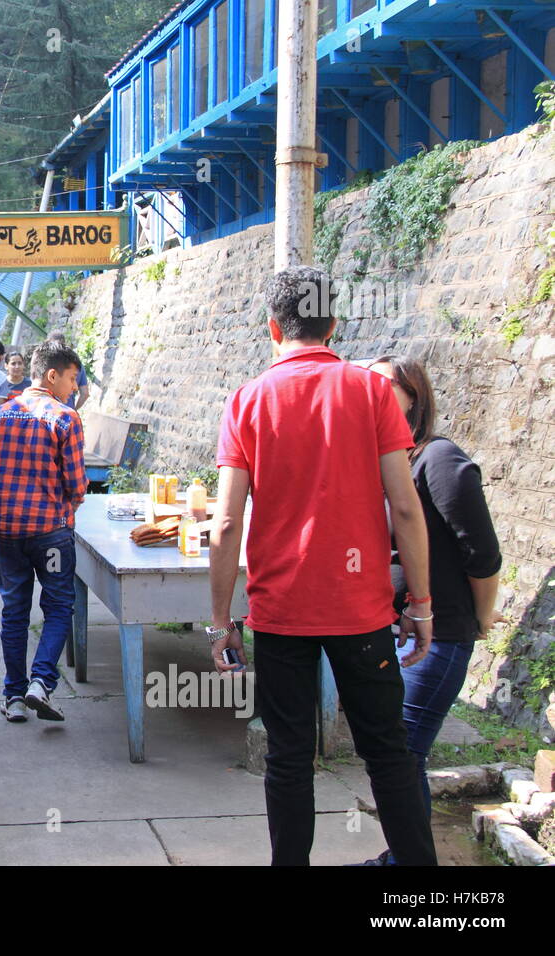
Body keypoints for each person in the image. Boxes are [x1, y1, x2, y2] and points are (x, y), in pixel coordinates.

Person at [208, 265, 438, 866]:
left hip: (281, 615)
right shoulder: (372, 393)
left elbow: (227, 523)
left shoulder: (247, 401)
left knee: (288, 757)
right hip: (361, 611)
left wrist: (219, 621)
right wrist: (420, 603)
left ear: (272, 329)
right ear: (334, 325)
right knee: (387, 751)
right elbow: (406, 509)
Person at [357, 355, 502, 865]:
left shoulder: (439, 460)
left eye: (381, 383)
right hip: (399, 632)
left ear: (413, 397)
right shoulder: (390, 459)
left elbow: (482, 554)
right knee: (394, 755)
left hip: (440, 635)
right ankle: (402, 856)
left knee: (403, 753)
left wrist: (481, 619)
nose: (369, 390)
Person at [0, 342, 87, 723]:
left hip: (8, 534)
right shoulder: (66, 418)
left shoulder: (0, 415)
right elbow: (76, 484)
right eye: (72, 379)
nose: (74, 387)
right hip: (51, 534)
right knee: (58, 607)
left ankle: (13, 696)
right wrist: (71, 502)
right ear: (52, 375)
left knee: (14, 611)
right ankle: (41, 681)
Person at [45, 331, 89, 408]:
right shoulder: (78, 365)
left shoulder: (45, 363)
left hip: (46, 409)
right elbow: (85, 394)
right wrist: (74, 409)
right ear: (64, 344)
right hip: (67, 411)